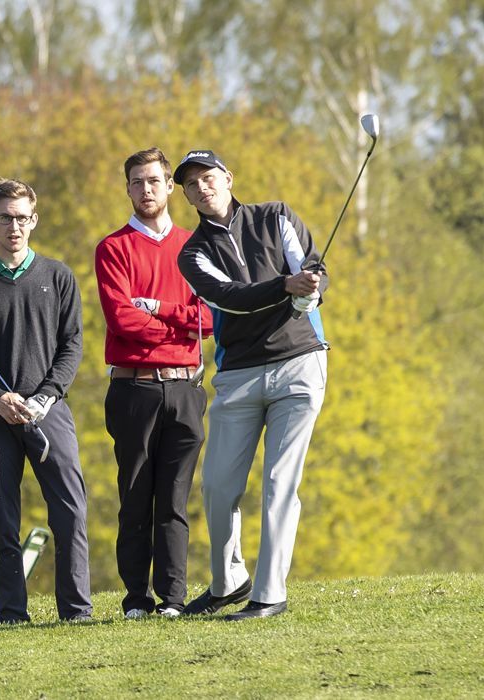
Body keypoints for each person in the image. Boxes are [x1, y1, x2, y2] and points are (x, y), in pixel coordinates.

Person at [171, 149, 328, 622]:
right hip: (238, 374)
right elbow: (230, 299)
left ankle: (270, 593)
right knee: (219, 487)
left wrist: (313, 285)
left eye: (209, 178)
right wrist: (286, 286)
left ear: (228, 178)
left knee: (281, 482)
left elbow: (314, 267)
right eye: (192, 184)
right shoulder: (192, 253)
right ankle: (228, 581)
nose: (202, 187)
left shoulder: (275, 216)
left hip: (299, 363)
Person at [0, 178, 91, 624]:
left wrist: (47, 395)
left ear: (34, 220)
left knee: (70, 509)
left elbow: (72, 344)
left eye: (22, 217)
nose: (14, 226)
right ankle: (11, 613)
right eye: (5, 217)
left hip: (49, 410)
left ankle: (76, 612)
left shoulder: (58, 276)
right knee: (3, 516)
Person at [93, 148, 212, 620]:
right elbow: (122, 320)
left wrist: (159, 309)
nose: (147, 190)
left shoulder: (196, 247)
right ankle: (136, 599)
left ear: (170, 188)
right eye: (137, 182)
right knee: (136, 495)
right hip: (135, 389)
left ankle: (173, 599)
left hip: (186, 388)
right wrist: (180, 326)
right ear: (128, 189)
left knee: (175, 499)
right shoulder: (113, 248)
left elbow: (208, 318)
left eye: (155, 181)